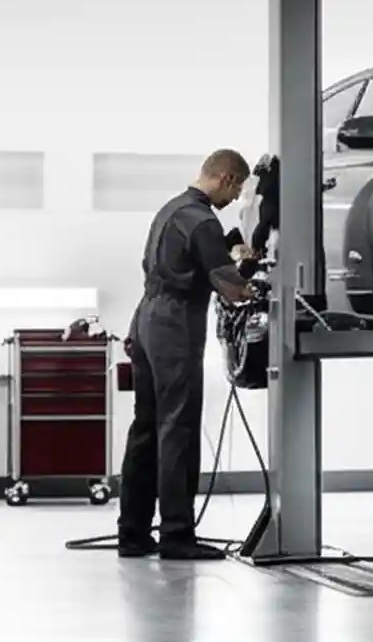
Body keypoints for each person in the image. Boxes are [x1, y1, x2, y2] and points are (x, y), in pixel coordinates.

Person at [116, 148, 255, 560]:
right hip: (175, 325)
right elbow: (232, 288)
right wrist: (253, 273)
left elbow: (180, 262)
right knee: (178, 428)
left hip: (146, 320)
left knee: (146, 429)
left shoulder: (171, 210)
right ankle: (177, 535)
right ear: (227, 179)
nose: (235, 199)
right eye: (237, 190)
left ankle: (132, 534)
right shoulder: (203, 220)